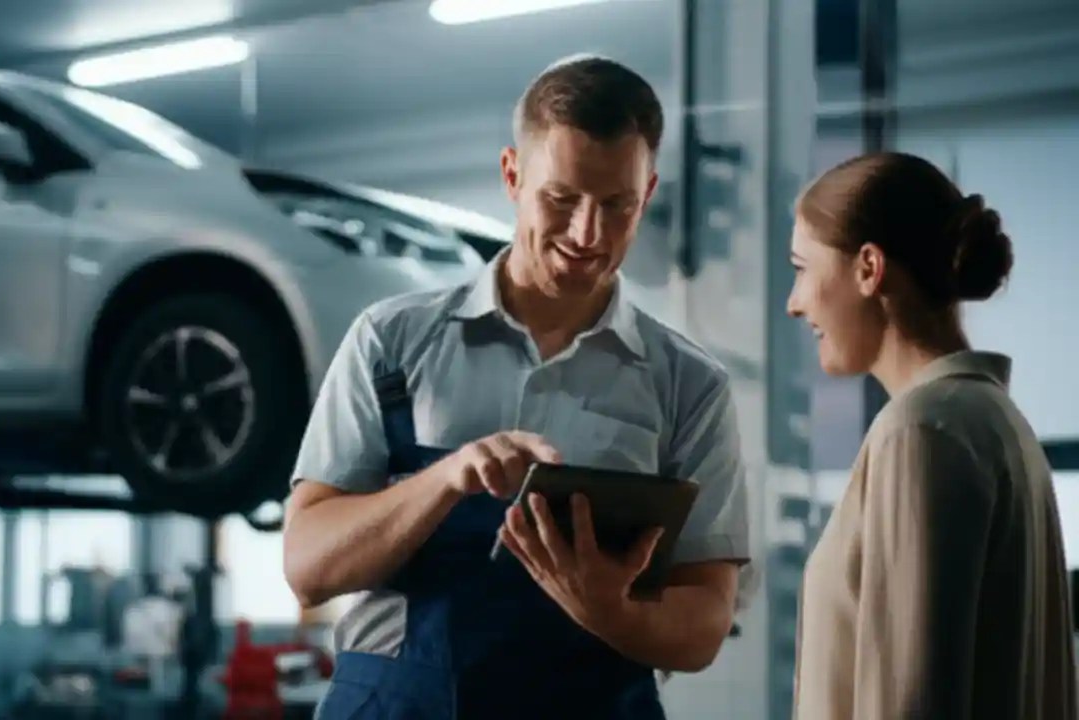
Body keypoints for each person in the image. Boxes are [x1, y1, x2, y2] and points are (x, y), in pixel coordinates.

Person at [282, 54, 751, 720]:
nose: (587, 233)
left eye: (616, 205)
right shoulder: (391, 343)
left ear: (646, 194)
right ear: (512, 175)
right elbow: (308, 567)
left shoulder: (688, 386)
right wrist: (446, 480)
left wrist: (611, 611)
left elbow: (705, 619)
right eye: (561, 199)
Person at [787, 151, 1078, 719]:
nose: (795, 303)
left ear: (868, 268)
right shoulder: (995, 421)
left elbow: (912, 702)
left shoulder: (920, 432)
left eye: (801, 268)